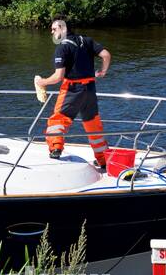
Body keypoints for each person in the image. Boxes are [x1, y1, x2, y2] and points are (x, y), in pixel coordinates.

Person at [34, 17, 112, 169]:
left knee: (58, 120)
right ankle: (103, 160)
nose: (51, 31)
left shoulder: (62, 48)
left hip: (72, 89)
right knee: (93, 124)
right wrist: (103, 71)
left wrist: (41, 82)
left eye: (54, 29)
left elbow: (58, 77)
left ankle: (56, 148)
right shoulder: (86, 40)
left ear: (63, 28)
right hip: (90, 89)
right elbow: (106, 55)